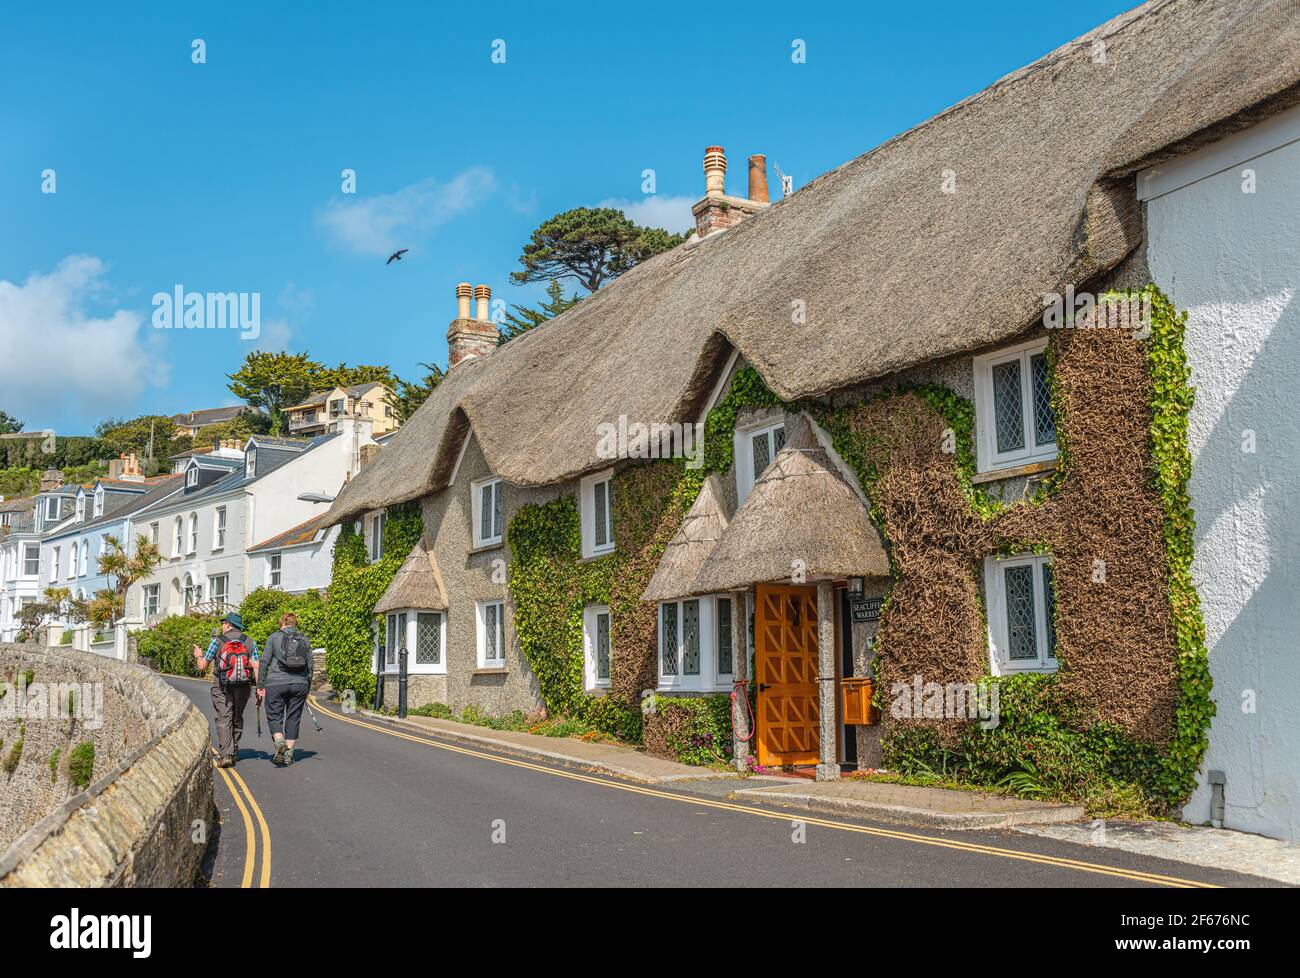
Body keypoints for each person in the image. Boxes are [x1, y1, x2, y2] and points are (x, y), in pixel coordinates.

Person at [192, 612, 260, 768]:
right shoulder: (250, 642)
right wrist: (260, 688)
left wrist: (198, 655)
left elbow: (202, 666)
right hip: (243, 686)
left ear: (228, 624)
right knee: (237, 717)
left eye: (223, 623)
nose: (222, 626)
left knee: (224, 718)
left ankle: (226, 755)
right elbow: (256, 665)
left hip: (222, 686)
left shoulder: (218, 641)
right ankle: (234, 751)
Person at [258, 612, 313, 766]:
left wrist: (260, 685)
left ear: (282, 623)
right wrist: (307, 686)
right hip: (300, 683)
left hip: (276, 682)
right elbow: (310, 666)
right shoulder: (304, 638)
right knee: (294, 717)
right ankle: (288, 753)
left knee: (274, 714)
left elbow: (264, 661)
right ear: (295, 624)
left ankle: (279, 741)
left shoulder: (274, 637)